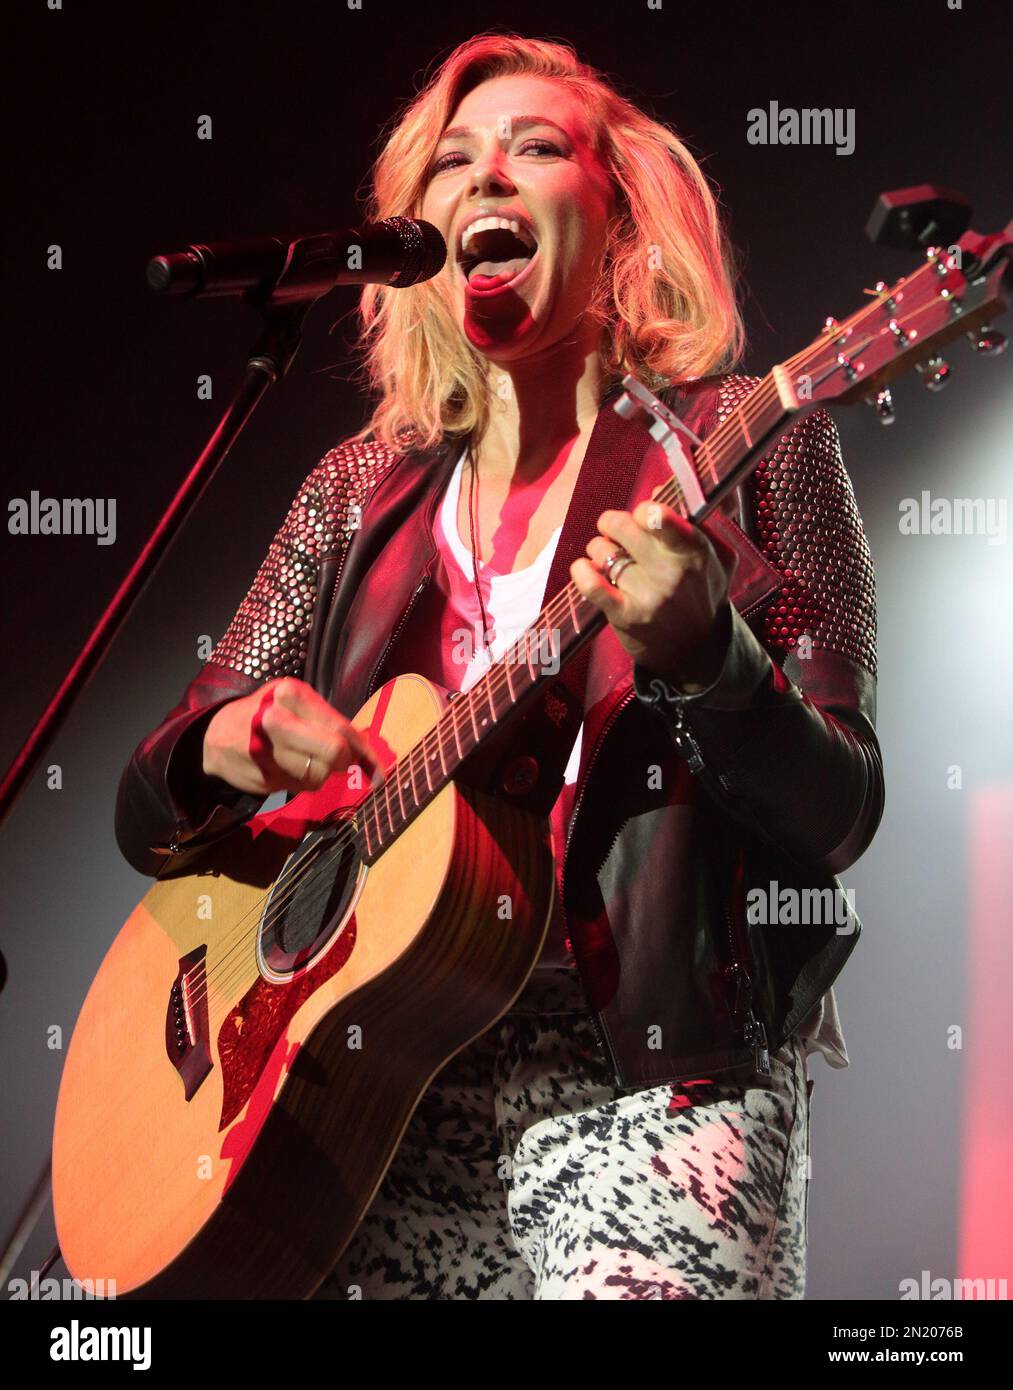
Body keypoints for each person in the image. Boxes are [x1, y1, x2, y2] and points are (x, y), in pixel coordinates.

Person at [115, 32, 884, 1300]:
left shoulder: (754, 449)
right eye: (454, 164)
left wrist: (711, 659)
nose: (486, 181)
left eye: (534, 150)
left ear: (621, 219)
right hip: (370, 1092)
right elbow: (147, 815)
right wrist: (224, 740)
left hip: (649, 1088)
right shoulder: (357, 496)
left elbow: (843, 806)